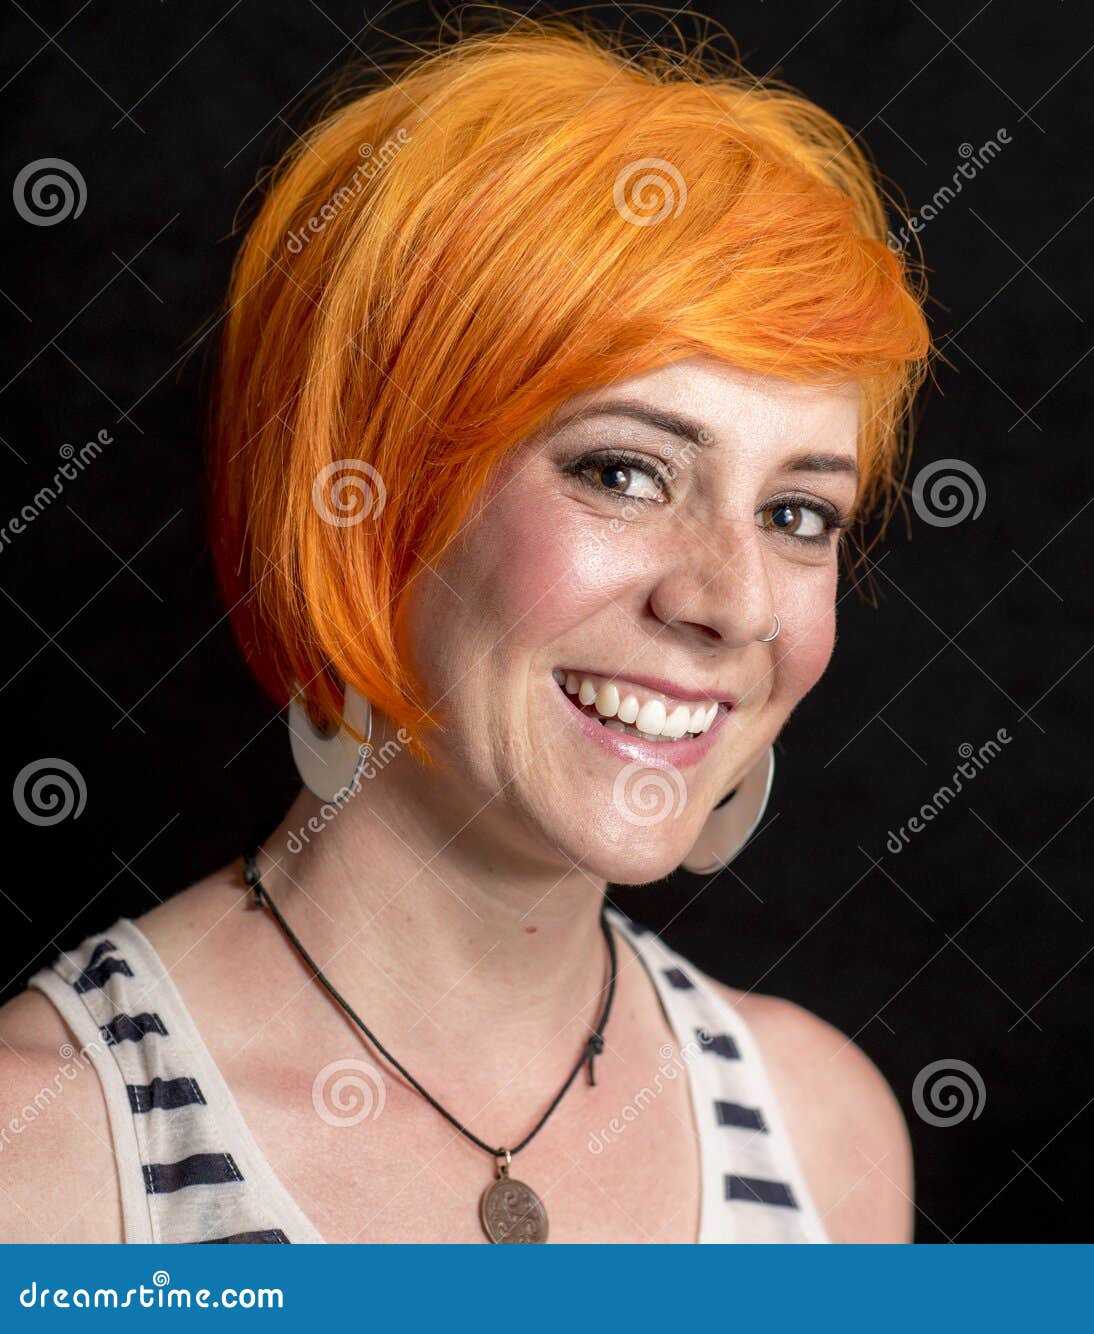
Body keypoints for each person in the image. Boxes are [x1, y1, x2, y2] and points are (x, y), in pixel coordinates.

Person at [0, 15, 930, 1244]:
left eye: (798, 510)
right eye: (624, 472)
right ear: (370, 503)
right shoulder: (42, 1156)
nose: (734, 601)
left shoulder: (827, 1134)